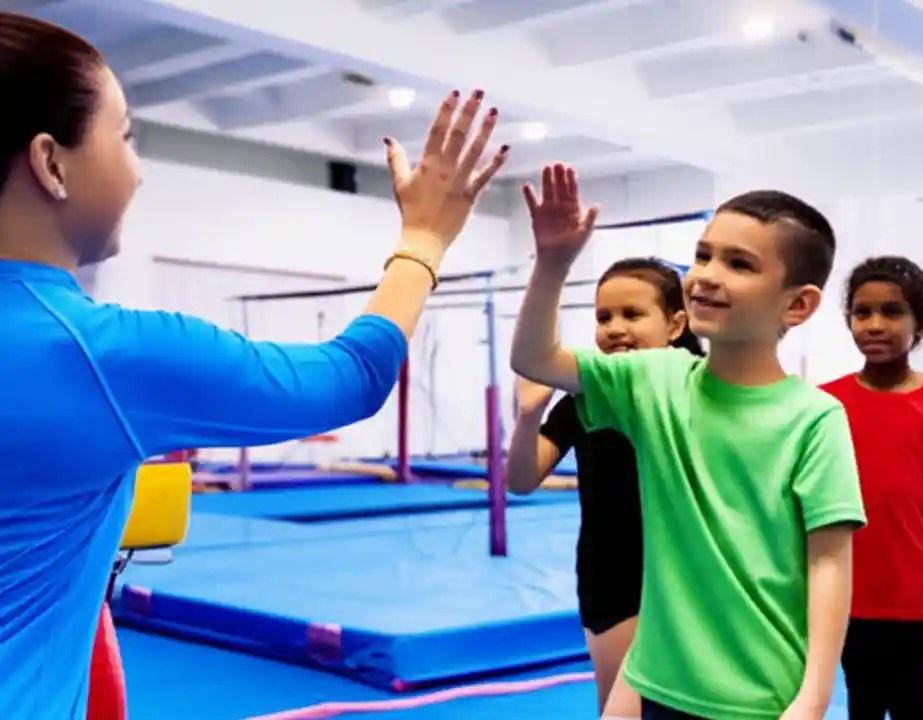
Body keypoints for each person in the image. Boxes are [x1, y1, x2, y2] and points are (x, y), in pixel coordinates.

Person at [0, 12, 507, 719]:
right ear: (52, 163)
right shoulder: (102, 356)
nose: (139, 173)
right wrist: (424, 237)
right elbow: (352, 376)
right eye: (126, 137)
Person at [510, 164, 865, 719]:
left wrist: (813, 695)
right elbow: (533, 360)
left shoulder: (815, 418)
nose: (707, 275)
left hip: (758, 692)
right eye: (703, 256)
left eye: (739, 263)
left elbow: (829, 564)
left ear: (797, 305)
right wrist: (553, 264)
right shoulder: (654, 379)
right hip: (662, 683)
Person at [505, 256, 703, 716]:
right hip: (614, 574)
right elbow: (520, 480)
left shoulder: (700, 386)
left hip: (689, 572)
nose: (614, 328)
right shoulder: (586, 395)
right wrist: (530, 413)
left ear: (675, 325)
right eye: (603, 317)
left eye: (632, 315)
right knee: (619, 706)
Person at [818, 256, 923, 720]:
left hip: (911, 592)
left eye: (892, 312)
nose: (874, 324)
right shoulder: (826, 403)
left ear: (920, 324)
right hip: (844, 589)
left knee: (909, 702)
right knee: (862, 701)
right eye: (862, 312)